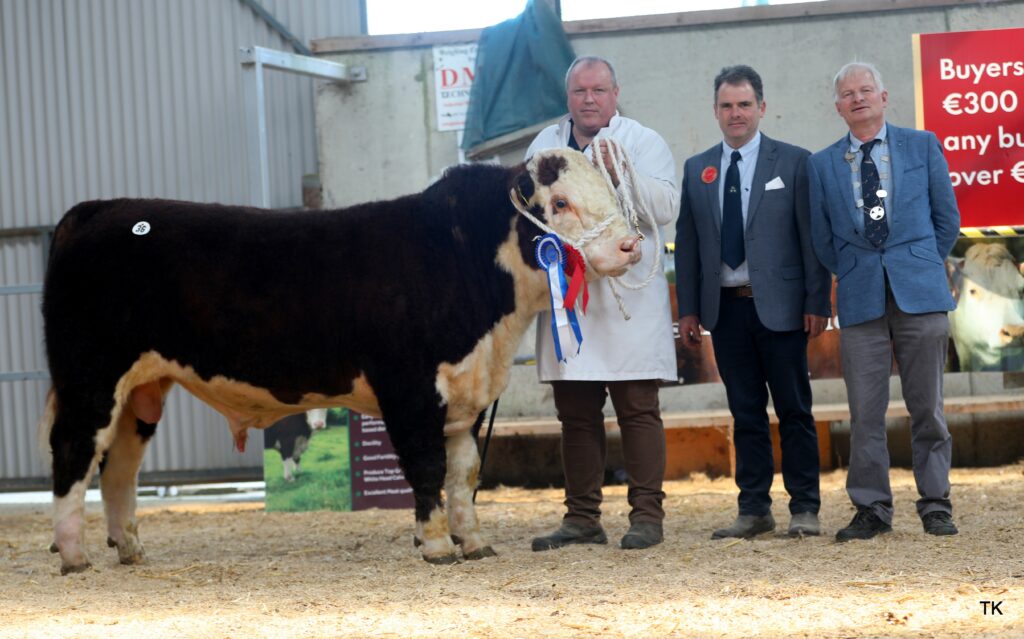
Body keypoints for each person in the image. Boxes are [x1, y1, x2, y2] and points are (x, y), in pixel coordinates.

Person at [526, 55, 679, 551]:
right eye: (579, 92)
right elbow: (525, 215)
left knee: (637, 406)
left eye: (598, 90)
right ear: (567, 97)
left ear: (615, 93)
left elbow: (666, 209)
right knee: (575, 410)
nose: (589, 100)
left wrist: (626, 173)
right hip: (570, 298)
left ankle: (647, 517)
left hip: (626, 296)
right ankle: (582, 519)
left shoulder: (642, 140)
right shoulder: (546, 145)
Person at [675, 65, 831, 539]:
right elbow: (687, 243)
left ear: (761, 108)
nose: (736, 113)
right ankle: (754, 509)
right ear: (715, 111)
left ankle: (805, 508)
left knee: (795, 410)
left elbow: (812, 238)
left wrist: (817, 301)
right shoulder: (697, 168)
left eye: (745, 104)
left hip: (783, 308)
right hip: (725, 311)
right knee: (745, 411)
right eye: (727, 105)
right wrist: (687, 308)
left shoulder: (795, 162)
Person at [808, 62, 960, 541]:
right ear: (837, 106)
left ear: (884, 96)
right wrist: (858, 270)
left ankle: (936, 503)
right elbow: (822, 239)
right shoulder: (821, 164)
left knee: (928, 408)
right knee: (865, 411)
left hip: (921, 293)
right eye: (848, 93)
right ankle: (872, 508)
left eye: (866, 90)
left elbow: (947, 220)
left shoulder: (922, 145)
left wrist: (916, 262)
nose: (858, 98)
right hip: (860, 297)